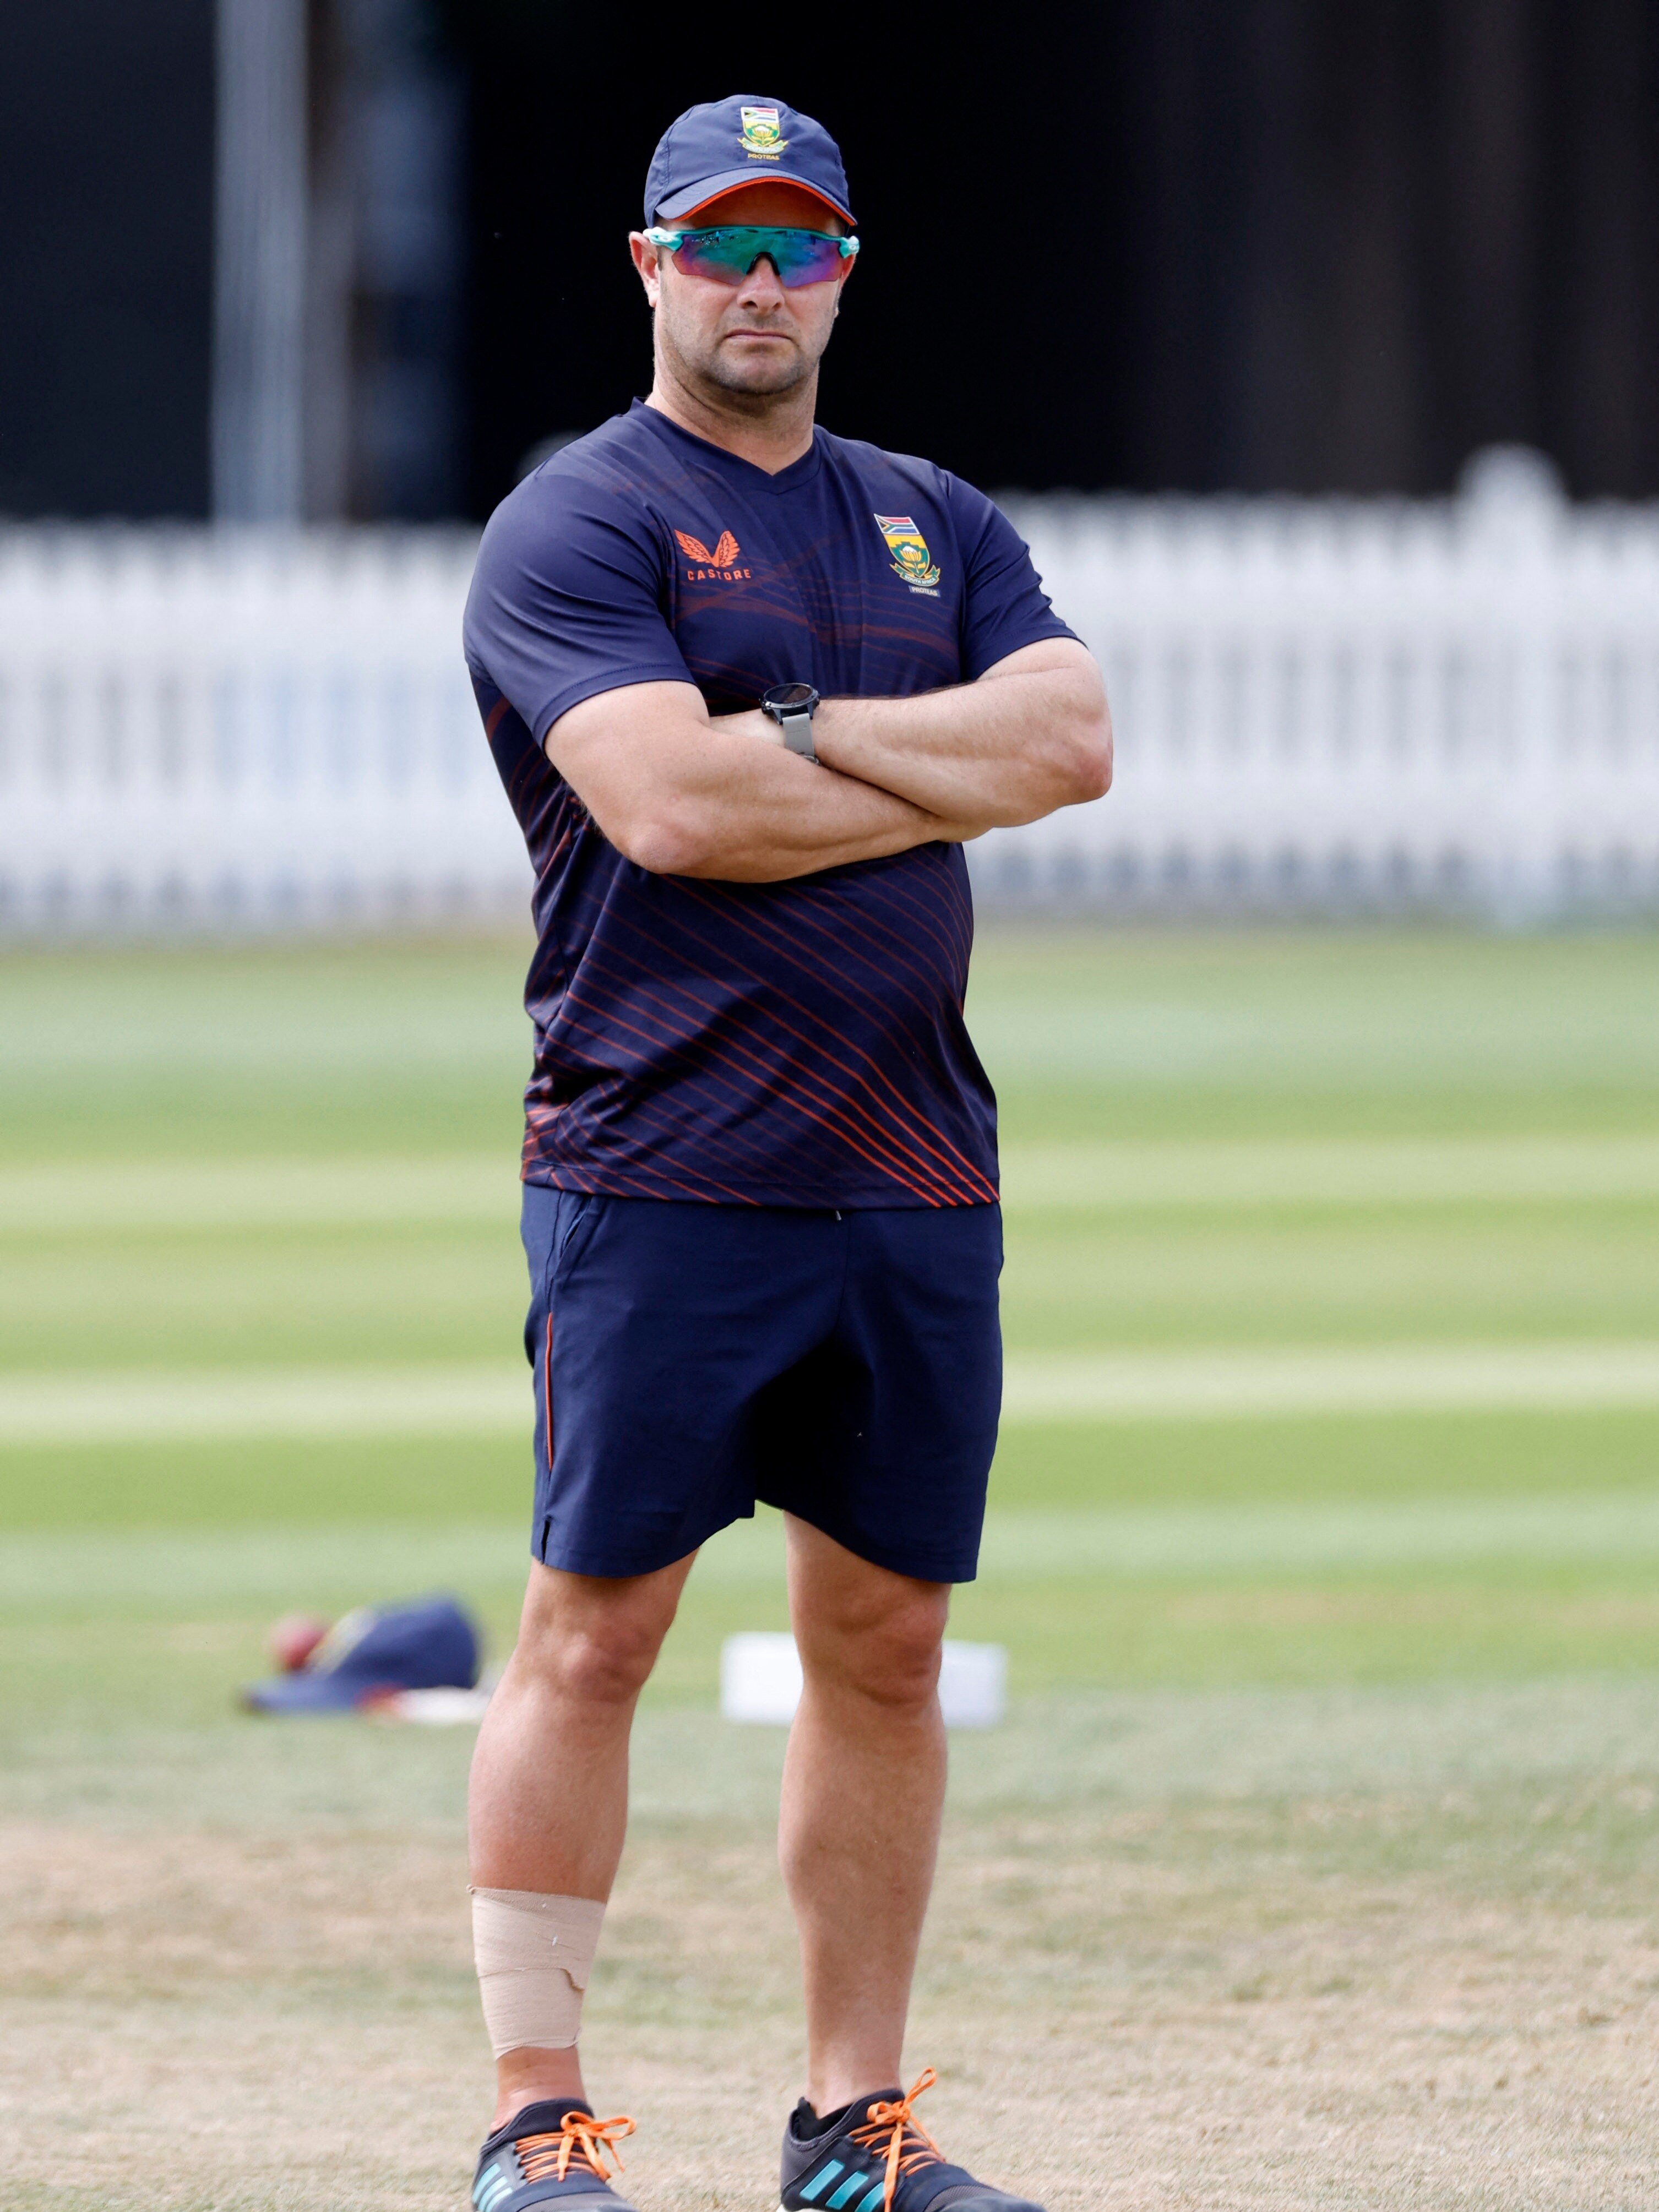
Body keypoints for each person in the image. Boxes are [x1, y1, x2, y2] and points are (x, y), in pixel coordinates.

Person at [460, 90, 1111, 2212]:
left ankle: (853, 2126)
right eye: (718, 244)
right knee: (596, 1629)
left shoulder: (933, 518)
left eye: (797, 244)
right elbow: (672, 810)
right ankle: (533, 2117)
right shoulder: (581, 524)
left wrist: (804, 729)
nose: (760, 282)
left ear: (845, 267)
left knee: (890, 1644)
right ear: (647, 264)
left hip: (912, 1159)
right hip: (660, 1156)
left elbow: (1073, 742)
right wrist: (929, 763)